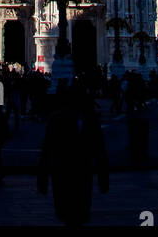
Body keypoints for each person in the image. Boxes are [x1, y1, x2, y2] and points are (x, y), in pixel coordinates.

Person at [37, 82, 109, 226]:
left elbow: (46, 151)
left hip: (74, 174)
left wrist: (42, 180)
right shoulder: (64, 119)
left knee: (75, 215)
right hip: (71, 174)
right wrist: (103, 179)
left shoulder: (86, 120)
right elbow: (100, 151)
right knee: (71, 215)